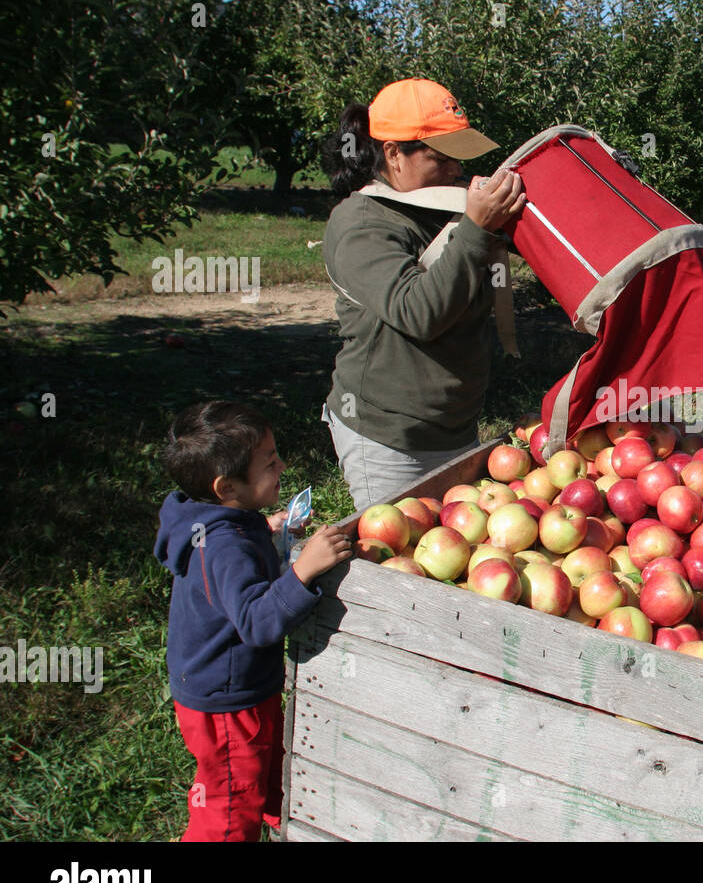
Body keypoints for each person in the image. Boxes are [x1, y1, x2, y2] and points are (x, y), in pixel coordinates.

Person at [318, 78, 526, 510]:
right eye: (441, 157)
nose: (455, 169)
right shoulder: (361, 222)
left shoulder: (440, 206)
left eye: (459, 156)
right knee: (397, 550)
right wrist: (476, 229)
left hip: (454, 428)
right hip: (390, 440)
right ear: (394, 153)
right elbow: (417, 312)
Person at [155, 401, 352, 841]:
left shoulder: (212, 521)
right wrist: (303, 571)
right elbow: (256, 621)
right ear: (226, 487)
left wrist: (266, 528)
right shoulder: (224, 546)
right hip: (228, 703)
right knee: (229, 800)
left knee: (265, 764)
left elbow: (232, 537)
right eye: (270, 462)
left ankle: (286, 820)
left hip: (233, 688)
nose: (282, 466)